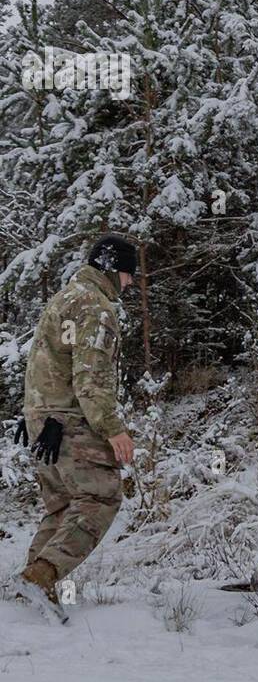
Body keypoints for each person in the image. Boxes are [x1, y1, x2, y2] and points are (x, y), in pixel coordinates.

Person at [15, 234, 138, 621]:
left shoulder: (64, 297)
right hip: (72, 420)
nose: (131, 282)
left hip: (43, 418)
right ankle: (41, 576)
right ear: (112, 268)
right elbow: (91, 377)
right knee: (100, 497)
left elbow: (43, 361)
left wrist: (34, 414)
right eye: (128, 273)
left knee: (63, 504)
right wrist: (113, 428)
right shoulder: (96, 307)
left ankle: (31, 594)